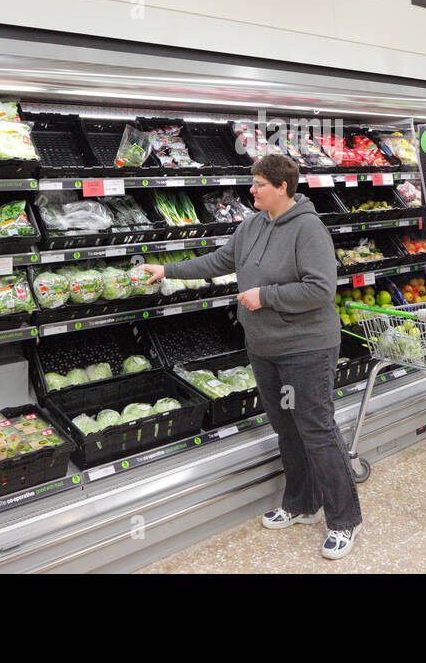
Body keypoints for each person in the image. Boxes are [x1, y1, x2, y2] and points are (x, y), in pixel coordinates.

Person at [141, 154, 363, 559]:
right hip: (265, 348)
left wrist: (267, 296)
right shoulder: (253, 225)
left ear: (282, 187)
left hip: (306, 347)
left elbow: (321, 290)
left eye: (259, 184)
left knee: (316, 428)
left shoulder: (309, 229)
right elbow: (220, 261)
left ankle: (344, 520)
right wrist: (169, 271)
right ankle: (301, 504)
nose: (251, 190)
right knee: (287, 428)